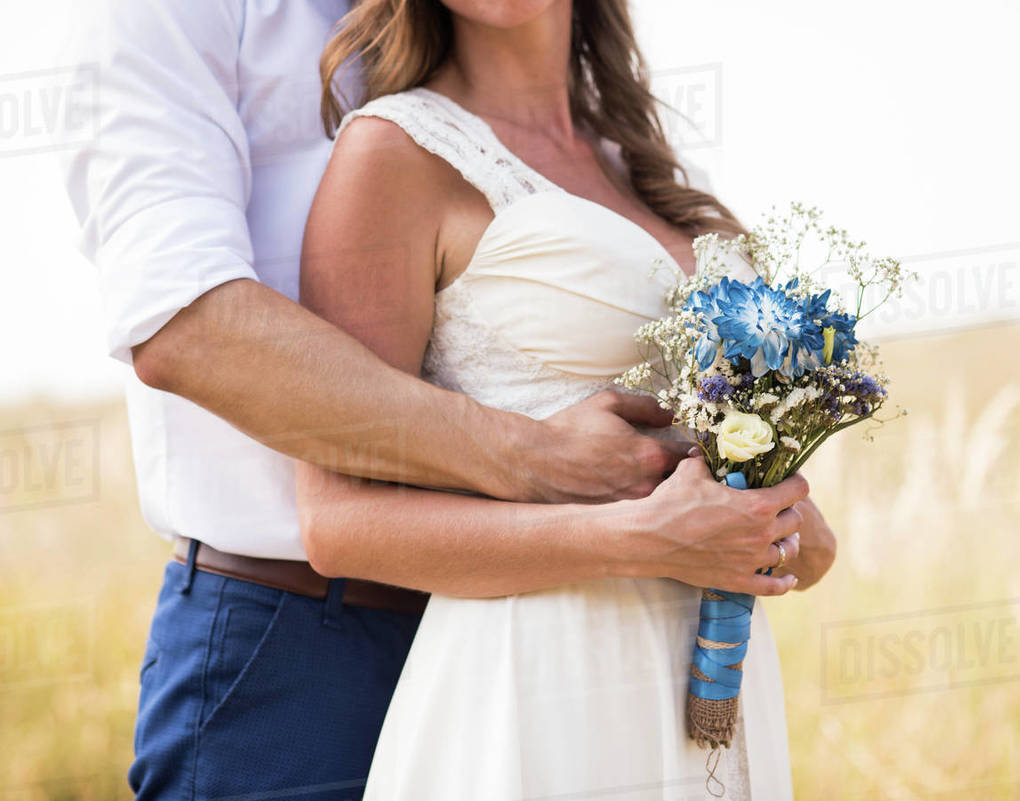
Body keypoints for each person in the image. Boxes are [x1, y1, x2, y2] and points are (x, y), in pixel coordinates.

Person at [64, 0, 835, 797]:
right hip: (293, 630)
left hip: (627, 665)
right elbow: (184, 325)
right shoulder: (362, 126)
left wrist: (766, 519)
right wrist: (555, 469)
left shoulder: (642, 164)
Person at [297, 1, 833, 798]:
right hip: (534, 687)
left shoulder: (648, 165)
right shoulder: (392, 154)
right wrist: (639, 539)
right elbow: (338, 524)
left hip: (717, 685)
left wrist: (783, 531)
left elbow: (770, 508)